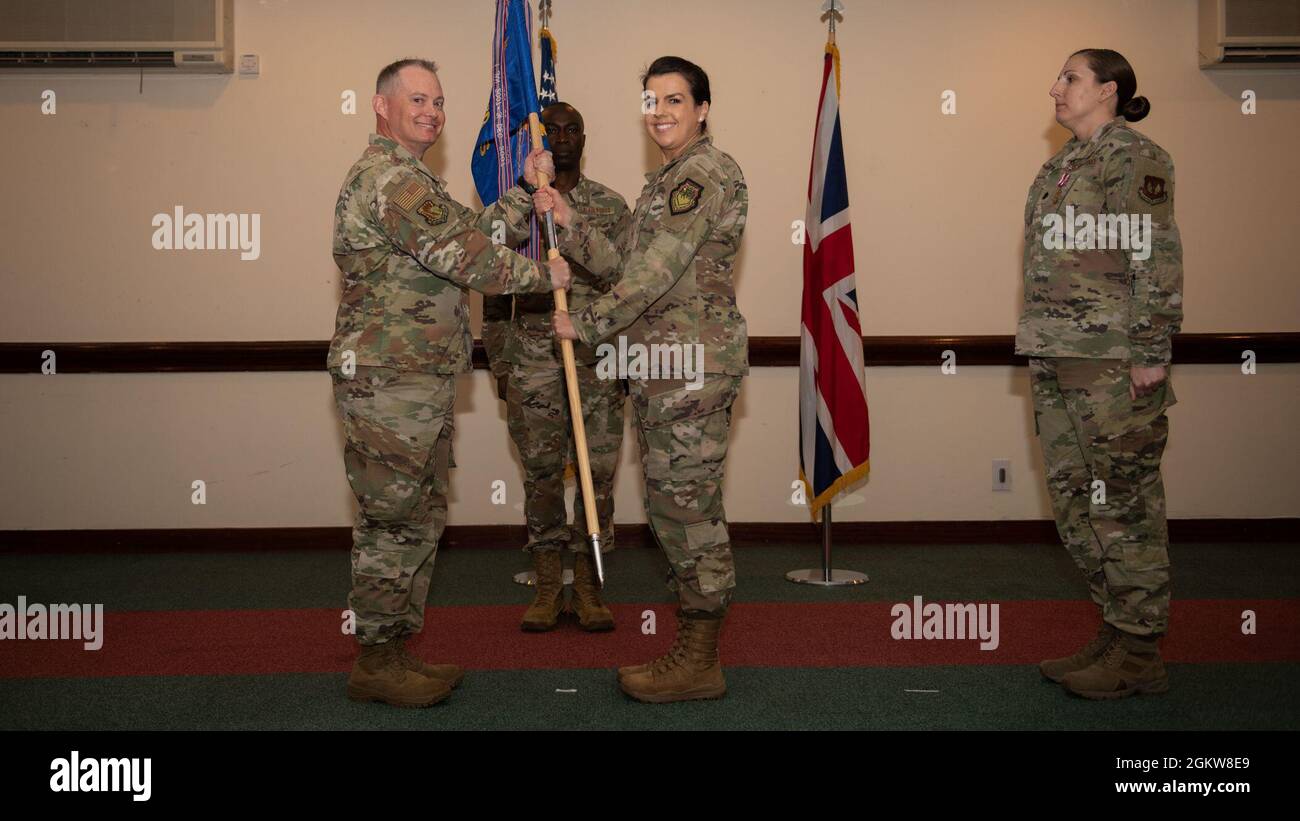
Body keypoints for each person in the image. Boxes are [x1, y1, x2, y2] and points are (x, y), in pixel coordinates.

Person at [329, 58, 570, 708]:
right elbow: (472, 261)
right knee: (392, 521)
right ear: (381, 106)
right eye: (416, 99)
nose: (431, 111)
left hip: (415, 383)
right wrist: (545, 279)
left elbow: (470, 235)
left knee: (417, 516)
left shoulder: (414, 181)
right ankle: (377, 658)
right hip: (391, 385)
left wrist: (522, 194)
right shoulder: (391, 181)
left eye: (438, 101)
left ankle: (395, 651)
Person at [539, 56, 748, 703]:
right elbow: (621, 258)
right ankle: (692, 646)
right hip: (658, 370)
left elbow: (654, 272)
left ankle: (701, 657)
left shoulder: (705, 174)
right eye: (651, 100)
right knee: (668, 505)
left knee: (688, 508)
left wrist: (590, 323)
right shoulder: (660, 185)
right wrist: (567, 220)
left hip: (691, 369)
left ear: (702, 110)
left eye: (675, 100)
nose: (659, 111)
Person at [1016, 48, 1182, 699]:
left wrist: (1150, 348)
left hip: (1116, 363)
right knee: (1076, 504)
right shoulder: (1059, 166)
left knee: (1124, 505)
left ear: (1108, 90)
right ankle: (1117, 628)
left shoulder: (1132, 156)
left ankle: (1140, 650)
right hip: (1060, 356)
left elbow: (1155, 254)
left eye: (1070, 78)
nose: (1055, 87)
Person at [483, 102, 632, 633]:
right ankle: (548, 587)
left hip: (596, 362)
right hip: (533, 361)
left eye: (573, 130)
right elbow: (488, 277)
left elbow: (627, 282)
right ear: (538, 141)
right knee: (543, 476)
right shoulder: (520, 206)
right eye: (554, 131)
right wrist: (501, 363)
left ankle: (590, 587)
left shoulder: (610, 206)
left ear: (585, 139)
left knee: (597, 476)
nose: (563, 139)